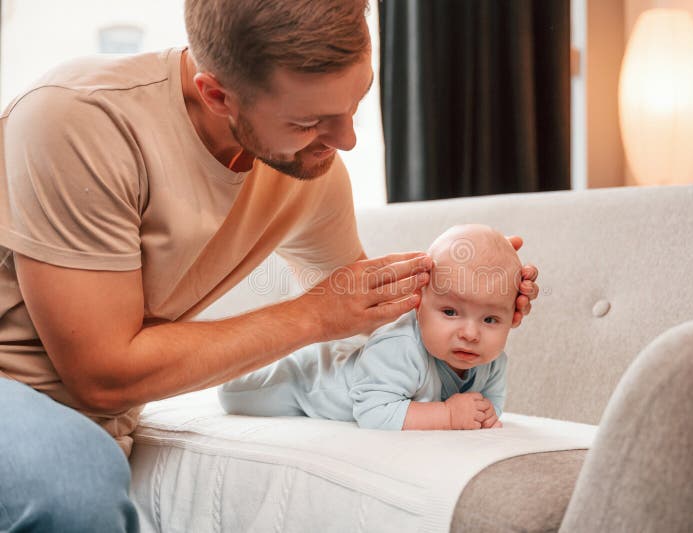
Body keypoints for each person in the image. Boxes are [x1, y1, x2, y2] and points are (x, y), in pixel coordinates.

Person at [0, 1, 537, 531]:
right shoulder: (80, 122)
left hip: (92, 426)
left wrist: (466, 296)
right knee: (77, 486)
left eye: (357, 102)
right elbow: (103, 376)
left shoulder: (312, 168)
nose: (346, 139)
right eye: (309, 121)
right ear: (217, 95)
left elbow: (369, 317)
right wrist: (313, 316)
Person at [220, 224, 520, 430]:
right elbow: (374, 413)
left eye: (490, 319)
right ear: (419, 303)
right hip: (305, 382)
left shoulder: (492, 362)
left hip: (349, 360)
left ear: (512, 318)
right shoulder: (400, 347)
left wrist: (485, 416)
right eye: (451, 311)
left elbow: (489, 406)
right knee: (232, 393)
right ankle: (239, 363)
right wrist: (449, 415)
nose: (470, 333)